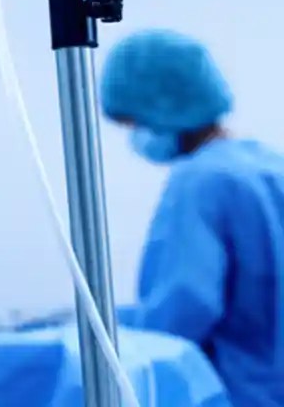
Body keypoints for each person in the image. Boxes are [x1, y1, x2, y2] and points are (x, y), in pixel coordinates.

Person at [100, 29, 284, 407]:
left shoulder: (201, 182)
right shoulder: (270, 170)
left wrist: (109, 339)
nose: (136, 137)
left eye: (134, 124)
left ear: (162, 109)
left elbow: (184, 308)